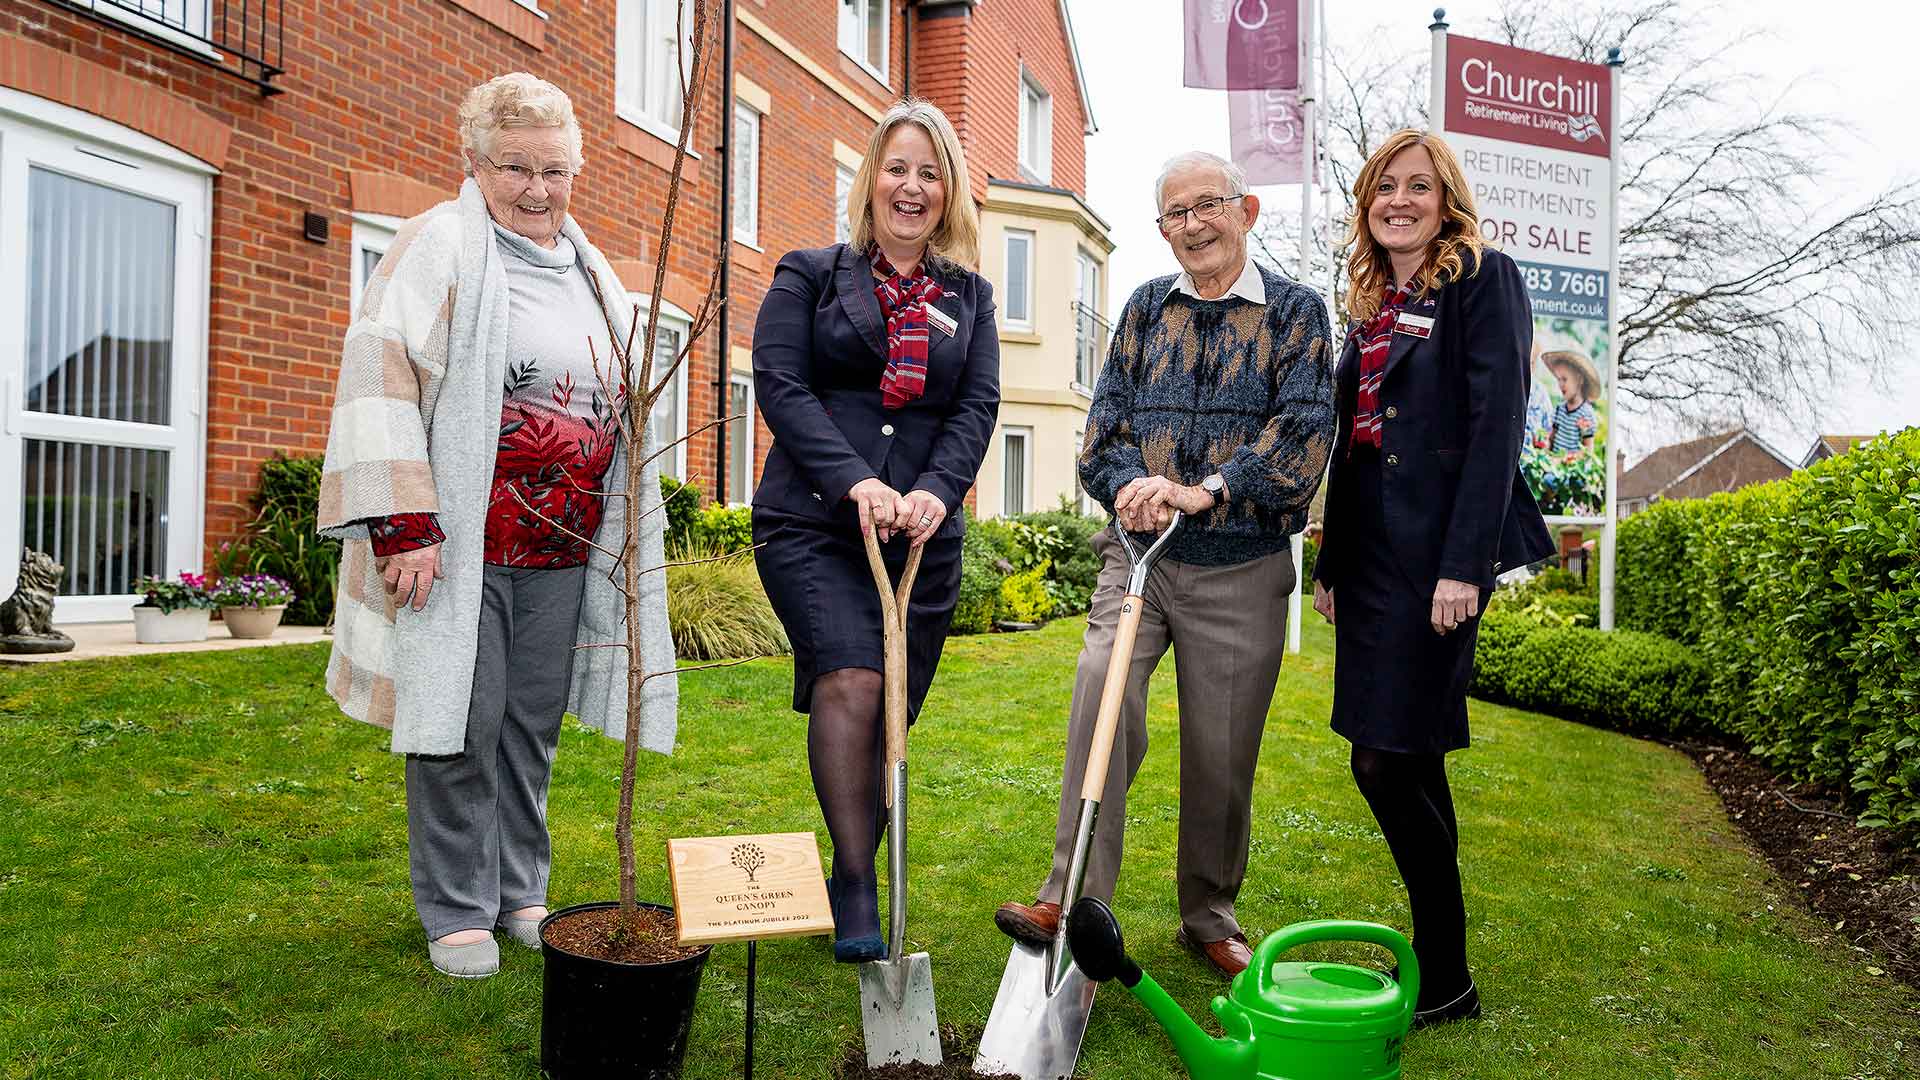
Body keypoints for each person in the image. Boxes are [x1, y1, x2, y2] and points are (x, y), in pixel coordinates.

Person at [317, 73, 676, 979]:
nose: (537, 189)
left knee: (529, 725)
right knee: (459, 722)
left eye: (554, 170)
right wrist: (405, 524)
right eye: (516, 167)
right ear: (474, 163)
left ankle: (520, 889)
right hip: (461, 546)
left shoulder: (591, 271)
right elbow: (379, 372)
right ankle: (455, 908)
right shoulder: (438, 244)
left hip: (565, 546)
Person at [993, 151, 1334, 979]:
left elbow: (1301, 437)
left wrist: (1204, 490)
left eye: (1208, 205)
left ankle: (1208, 913)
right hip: (1139, 558)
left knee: (1222, 753)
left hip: (1241, 569)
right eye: (1176, 213)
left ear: (1247, 211)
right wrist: (1130, 488)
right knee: (1101, 700)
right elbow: (1102, 432)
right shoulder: (1146, 308)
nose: (1193, 225)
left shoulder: (1295, 312)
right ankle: (1069, 897)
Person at [1311, 128, 1553, 1026]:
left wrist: (1465, 566)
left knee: (1381, 763)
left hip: (1437, 559)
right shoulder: (1375, 303)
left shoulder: (1483, 280)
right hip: (1372, 555)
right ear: (1367, 206)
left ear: (1447, 200)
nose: (1399, 201)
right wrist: (1332, 558)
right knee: (1408, 759)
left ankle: (1446, 968)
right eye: (1384, 188)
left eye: (1418, 186)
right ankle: (1447, 973)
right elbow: (1355, 444)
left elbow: (1497, 429)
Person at [750, 99, 999, 962]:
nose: (912, 186)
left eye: (930, 172)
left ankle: (847, 862)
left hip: (921, 537)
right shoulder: (809, 274)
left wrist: (936, 491)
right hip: (814, 522)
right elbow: (780, 384)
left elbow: (976, 406)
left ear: (948, 191)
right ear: (871, 179)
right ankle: (859, 886)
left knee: (891, 713)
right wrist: (854, 478)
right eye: (898, 168)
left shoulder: (971, 297)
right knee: (852, 681)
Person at [1544, 349, 1601, 452]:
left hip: (1572, 462)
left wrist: (1566, 459)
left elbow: (1587, 450)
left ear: (1579, 379)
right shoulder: (1559, 409)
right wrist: (1545, 445)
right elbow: (1552, 438)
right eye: (1558, 379)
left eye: (1564, 379)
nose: (1560, 384)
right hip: (1553, 461)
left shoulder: (1586, 414)